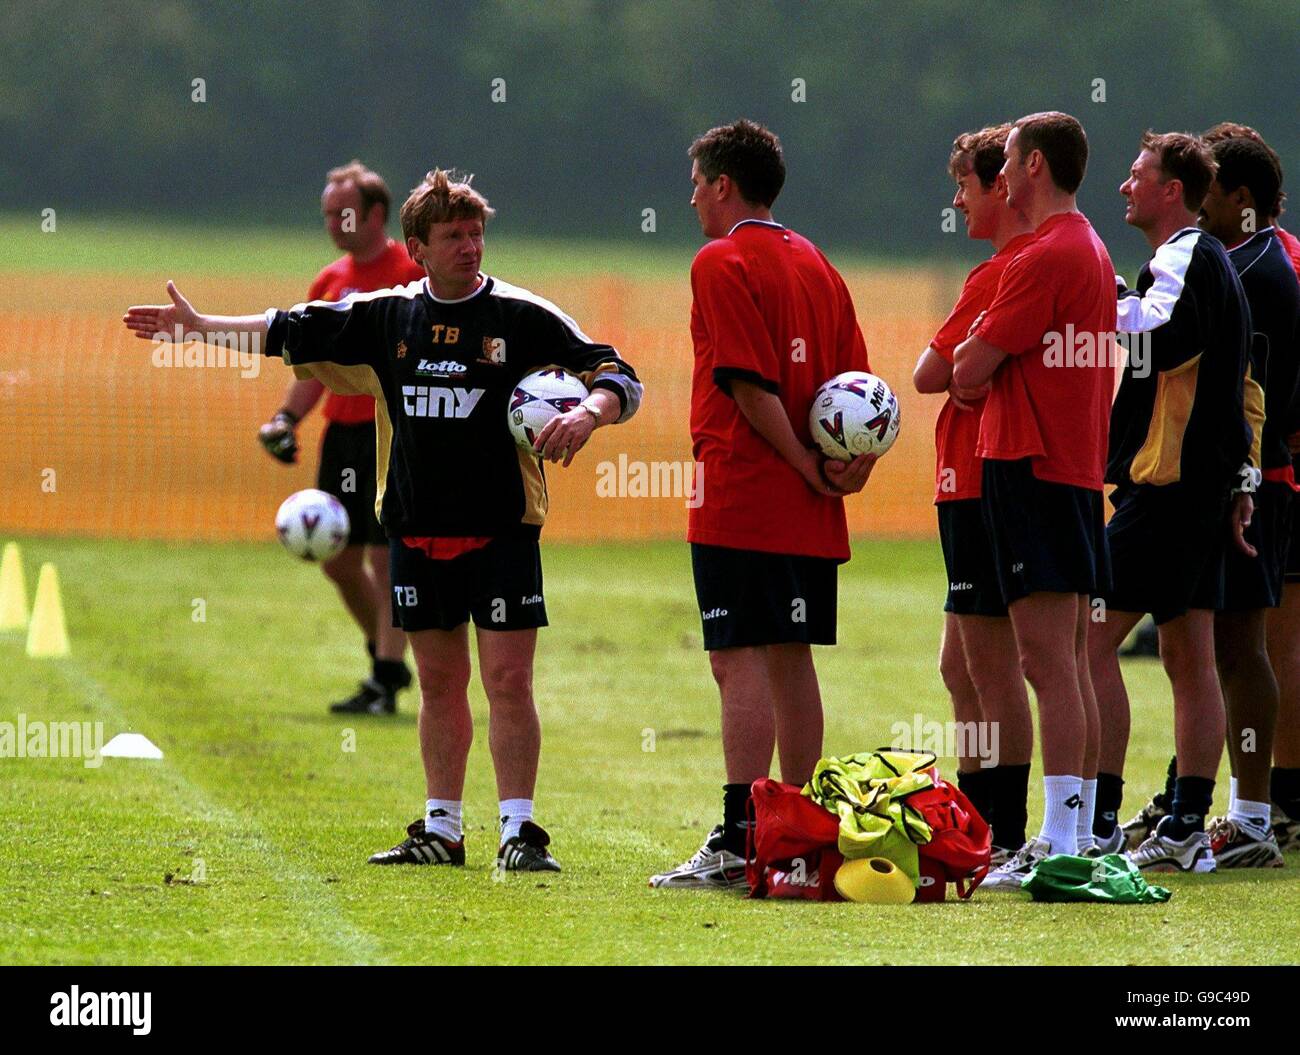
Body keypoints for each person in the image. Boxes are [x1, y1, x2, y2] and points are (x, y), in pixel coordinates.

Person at [125, 168, 643, 873]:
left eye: (476, 232)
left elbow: (618, 374)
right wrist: (199, 329)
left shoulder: (521, 318)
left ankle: (519, 831)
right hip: (415, 527)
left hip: (502, 528)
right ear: (417, 246)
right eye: (453, 236)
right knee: (435, 681)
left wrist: (588, 411)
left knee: (509, 681)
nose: (470, 246)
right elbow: (286, 331)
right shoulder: (387, 317)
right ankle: (442, 828)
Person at [649, 119, 875, 890]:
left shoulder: (720, 259)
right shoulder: (817, 261)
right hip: (808, 502)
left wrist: (808, 466)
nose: (692, 201)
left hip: (745, 490)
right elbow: (861, 390)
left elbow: (747, 384)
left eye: (696, 185)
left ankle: (742, 832)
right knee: (790, 655)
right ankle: (804, 829)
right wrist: (851, 464)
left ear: (721, 185)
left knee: (734, 656)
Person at [1122, 124, 1300, 857]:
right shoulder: (1271, 254)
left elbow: (1246, 387)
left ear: (1241, 199)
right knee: (1222, 647)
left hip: (1256, 477)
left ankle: (1252, 817)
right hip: (1260, 473)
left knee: (1239, 646)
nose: (1202, 206)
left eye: (1212, 192)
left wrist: (1245, 474)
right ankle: (1198, 805)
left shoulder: (1251, 268)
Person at [952, 111, 1116, 886]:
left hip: (1033, 465)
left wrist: (976, 352)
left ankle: (1057, 840)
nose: (1001, 179)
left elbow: (965, 367)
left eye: (1010, 165)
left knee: (1043, 660)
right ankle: (1071, 831)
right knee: (1069, 661)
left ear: (1037, 166)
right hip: (1071, 469)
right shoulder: (1088, 246)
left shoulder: (1046, 253)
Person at [1087, 132, 1252, 873]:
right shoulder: (1207, 260)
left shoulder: (1186, 254)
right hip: (1200, 490)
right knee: (1190, 658)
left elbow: (1160, 335)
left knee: (1083, 642)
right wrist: (1241, 481)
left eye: (1137, 176)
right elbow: (1242, 386)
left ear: (1173, 191)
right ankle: (1186, 823)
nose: (1125, 187)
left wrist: (1100, 297)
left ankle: (1095, 820)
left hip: (1168, 491)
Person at [258, 160, 425, 716]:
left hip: (392, 434)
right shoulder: (330, 281)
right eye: (328, 214)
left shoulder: (409, 272)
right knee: (337, 560)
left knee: (387, 558)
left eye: (344, 213)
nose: (334, 223)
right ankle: (389, 661)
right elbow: (314, 368)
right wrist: (285, 419)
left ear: (377, 214)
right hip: (342, 435)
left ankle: (383, 675)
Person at [912, 123, 1035, 862]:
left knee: (992, 668)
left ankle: (1007, 831)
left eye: (965, 185)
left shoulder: (1001, 272)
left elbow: (933, 373)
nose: (957, 201)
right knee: (960, 668)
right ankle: (975, 819)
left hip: (982, 483)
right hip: (960, 482)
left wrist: (964, 365)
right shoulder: (991, 270)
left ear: (1002, 187)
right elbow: (951, 372)